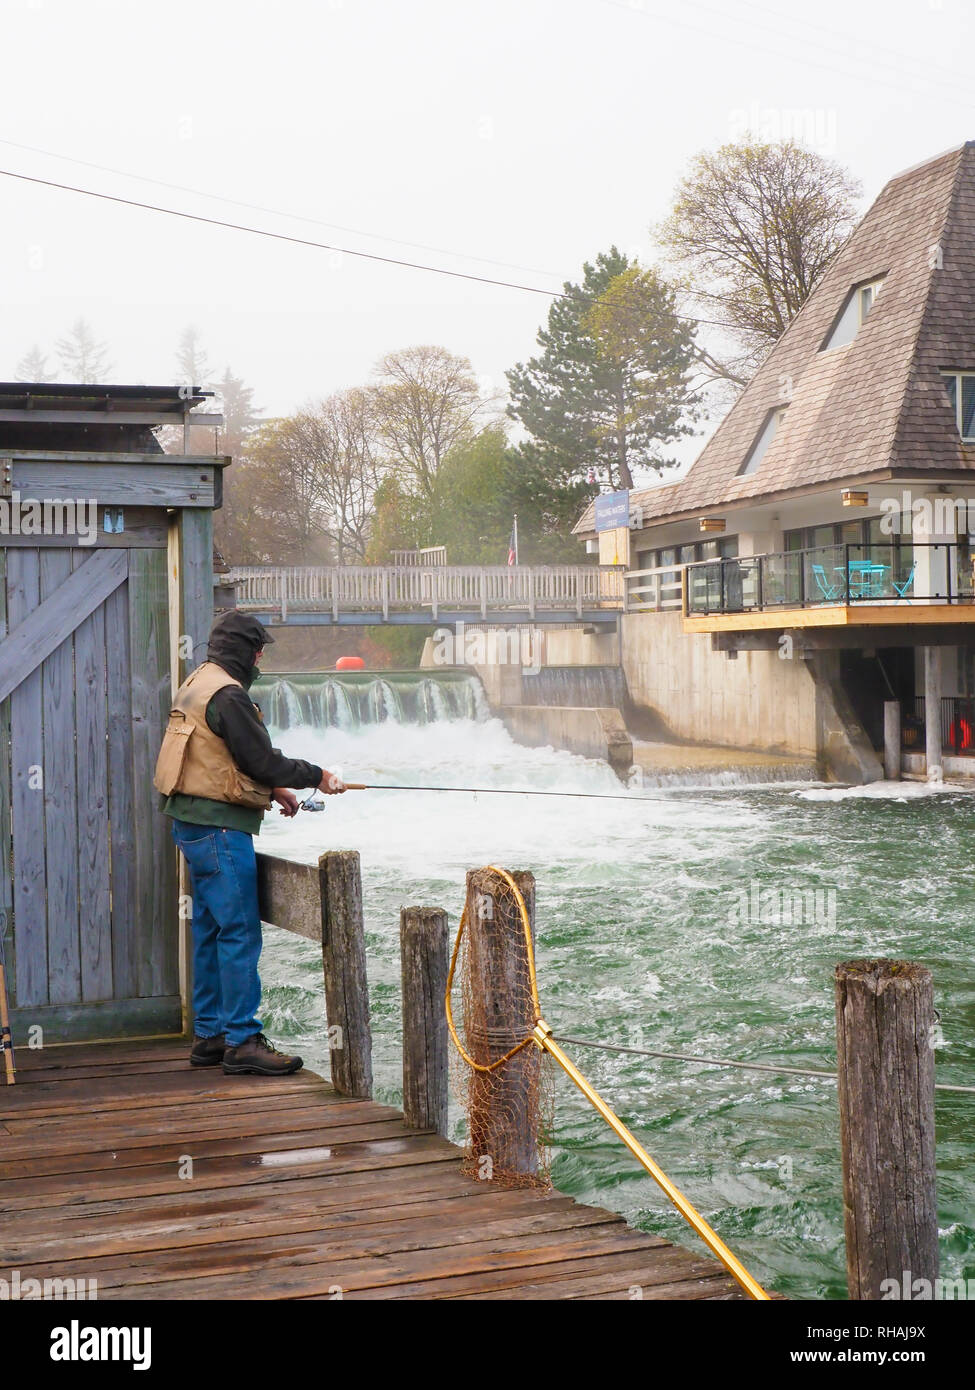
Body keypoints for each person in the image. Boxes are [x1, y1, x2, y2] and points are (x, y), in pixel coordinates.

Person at [154, 611, 345, 1075]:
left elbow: (215, 754)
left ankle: (210, 1036)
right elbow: (262, 758)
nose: (261, 658)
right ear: (244, 650)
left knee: (211, 928)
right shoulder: (230, 696)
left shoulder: (199, 680)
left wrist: (272, 789)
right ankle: (242, 1041)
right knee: (239, 931)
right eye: (258, 650)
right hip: (220, 830)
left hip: (191, 824)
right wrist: (316, 776)